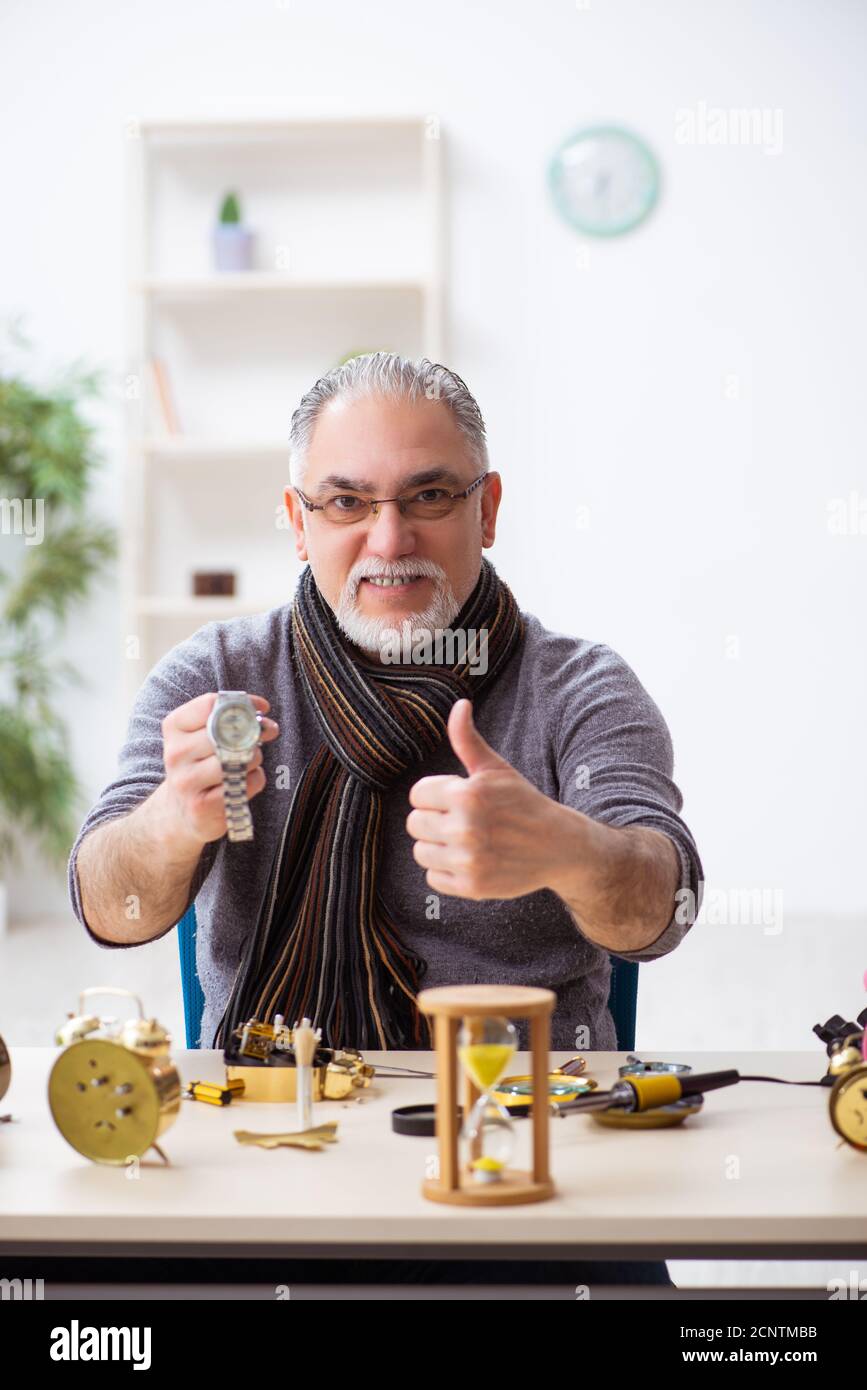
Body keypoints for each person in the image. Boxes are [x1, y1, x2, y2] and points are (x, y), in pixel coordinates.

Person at [69, 352, 703, 1290]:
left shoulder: (579, 688)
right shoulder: (212, 677)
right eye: (346, 502)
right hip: (268, 1139)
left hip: (521, 1156)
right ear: (296, 523)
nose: (389, 537)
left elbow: (668, 910)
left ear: (487, 510)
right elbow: (110, 910)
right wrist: (168, 824)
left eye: (430, 496)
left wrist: (567, 850)